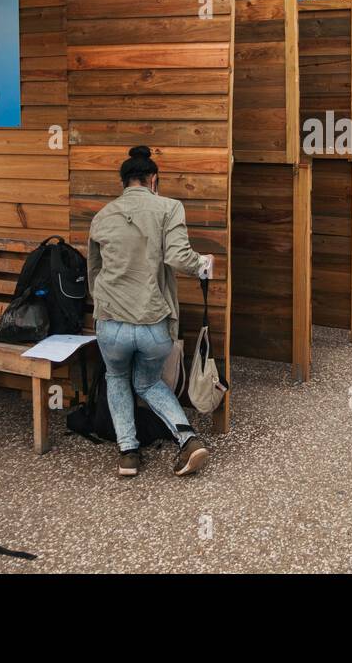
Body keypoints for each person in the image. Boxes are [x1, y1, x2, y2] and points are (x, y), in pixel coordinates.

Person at [87, 146, 215, 479]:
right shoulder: (169, 208)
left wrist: (104, 306)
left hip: (111, 323)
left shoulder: (102, 215)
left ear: (124, 182)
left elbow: (94, 271)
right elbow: (177, 256)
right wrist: (203, 264)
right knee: (147, 382)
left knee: (115, 377)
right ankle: (187, 439)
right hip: (151, 324)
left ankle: (128, 454)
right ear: (153, 179)